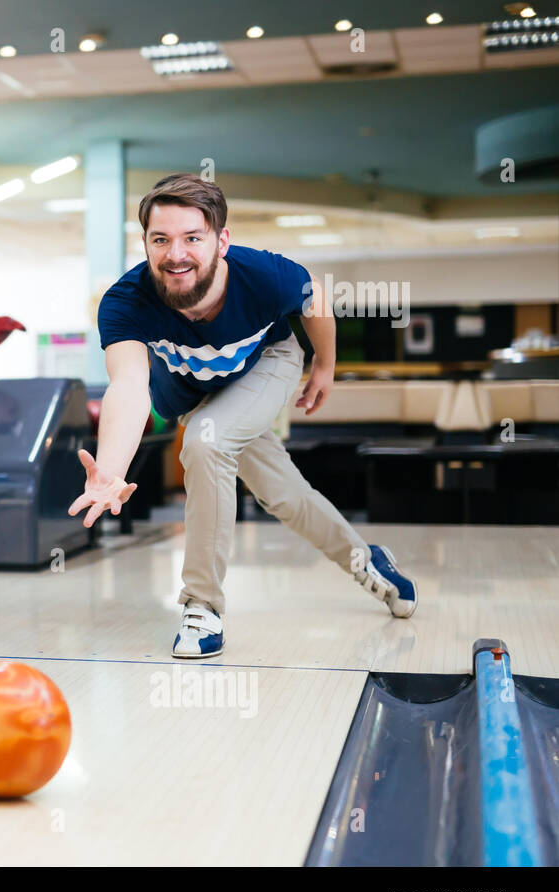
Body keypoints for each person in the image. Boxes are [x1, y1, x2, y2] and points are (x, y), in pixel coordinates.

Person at [70, 173, 417, 658]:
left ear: (221, 240)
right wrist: (109, 471)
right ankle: (368, 561)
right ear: (145, 243)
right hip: (197, 398)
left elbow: (316, 299)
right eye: (161, 239)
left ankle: (201, 605)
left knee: (206, 444)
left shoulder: (265, 275)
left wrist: (325, 365)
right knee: (284, 497)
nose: (177, 254)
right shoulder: (127, 301)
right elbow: (128, 384)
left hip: (268, 363)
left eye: (193, 237)